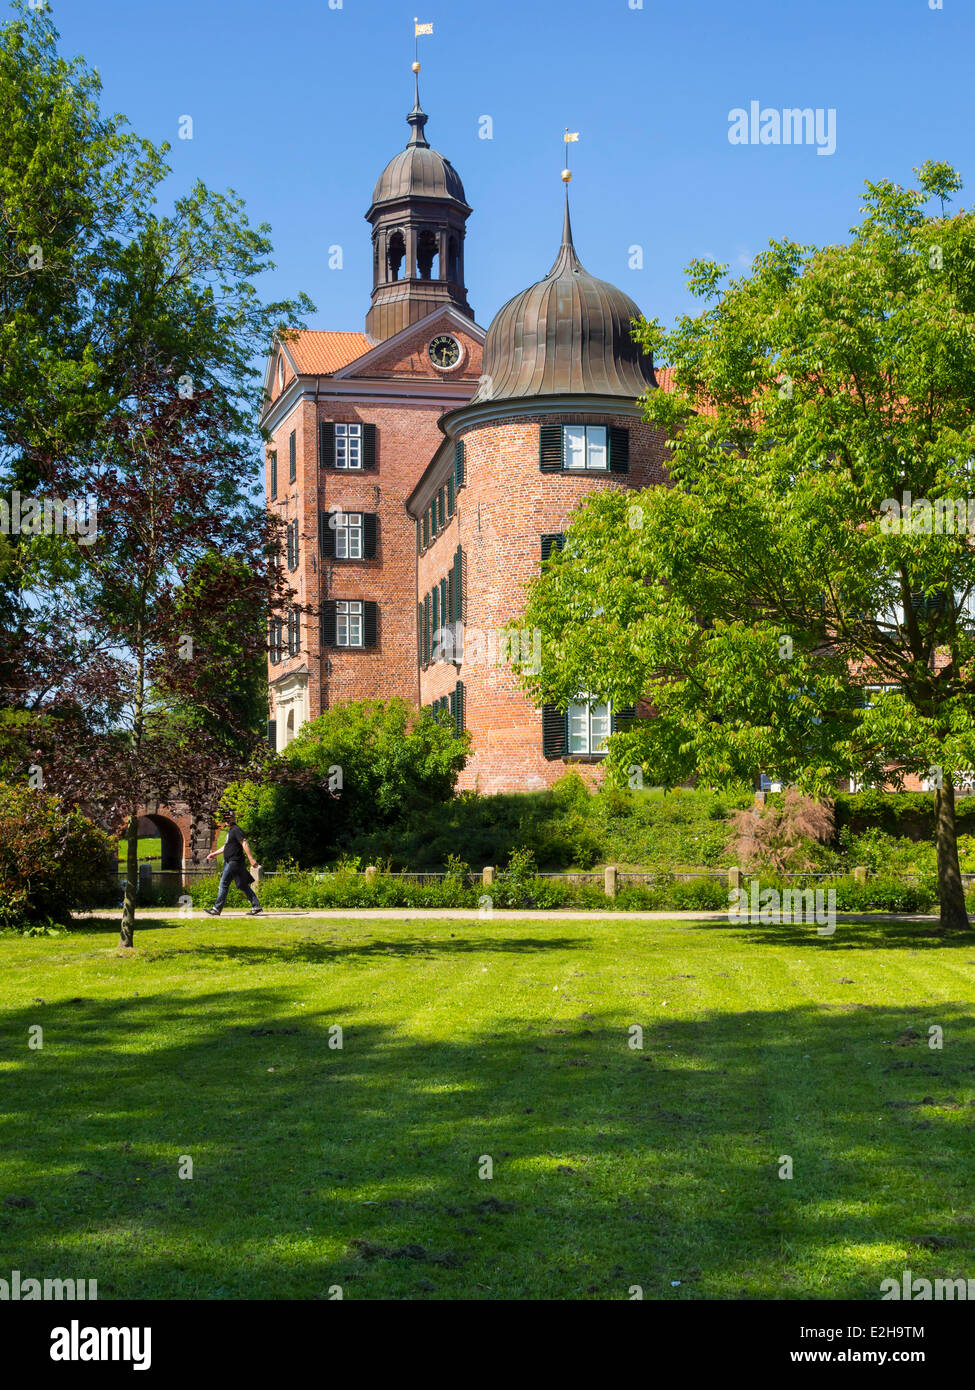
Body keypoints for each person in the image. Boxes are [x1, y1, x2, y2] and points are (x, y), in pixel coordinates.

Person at [204, 816, 263, 916]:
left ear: (234, 818)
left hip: (234, 861)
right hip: (232, 862)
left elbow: (244, 843)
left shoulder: (236, 830)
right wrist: (214, 854)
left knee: (223, 883)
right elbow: (226, 846)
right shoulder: (231, 831)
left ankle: (216, 909)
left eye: (229, 817)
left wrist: (251, 859)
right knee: (242, 884)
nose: (227, 819)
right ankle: (256, 906)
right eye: (225, 817)